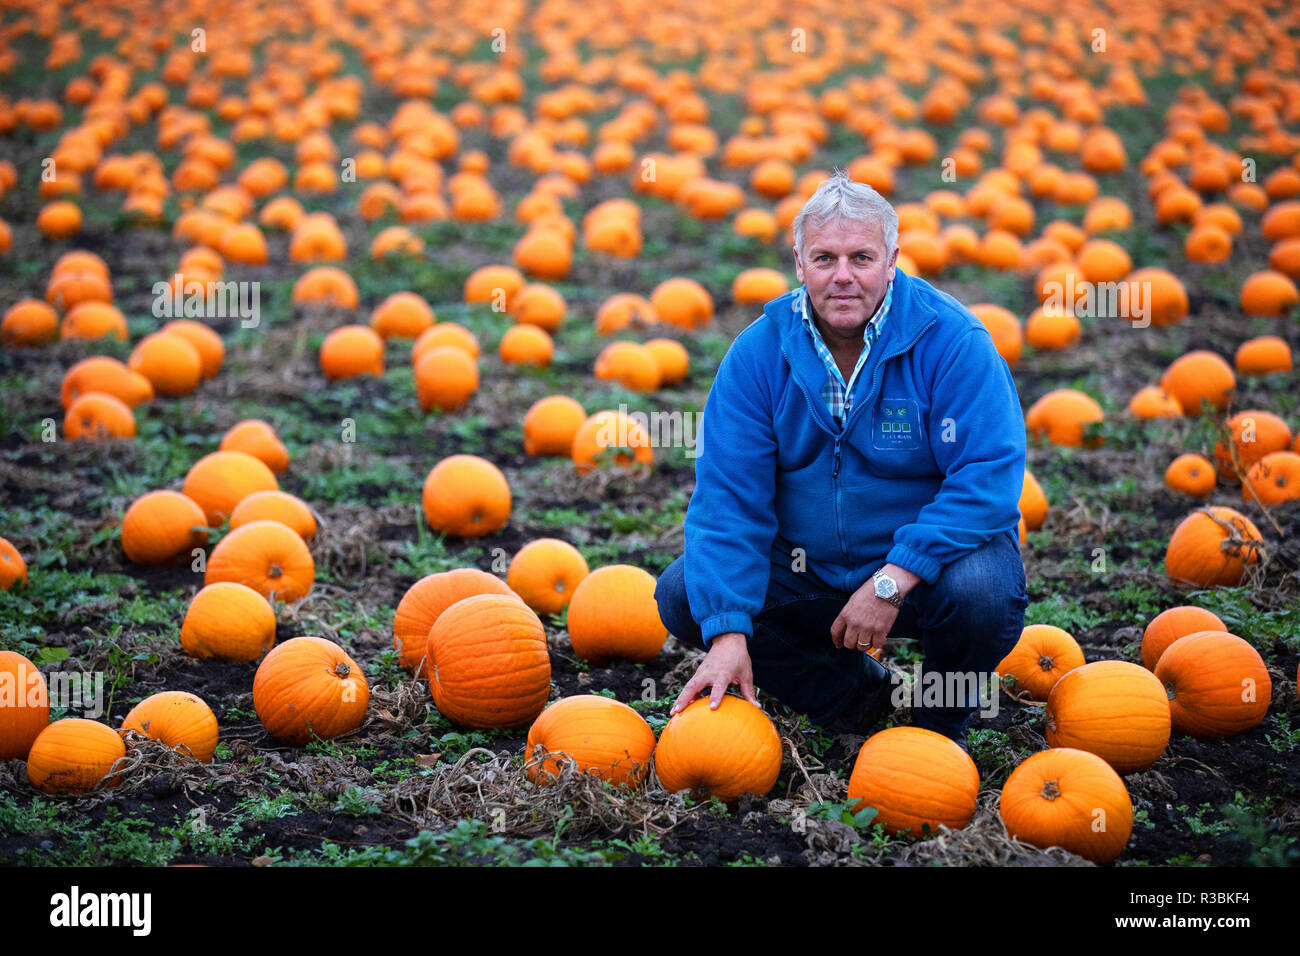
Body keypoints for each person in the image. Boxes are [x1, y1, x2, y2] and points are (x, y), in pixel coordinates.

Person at [654, 169, 1028, 744]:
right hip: (811, 570)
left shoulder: (953, 341)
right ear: (799, 263)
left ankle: (938, 722)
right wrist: (727, 631)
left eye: (861, 257)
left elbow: (988, 479)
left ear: (892, 259)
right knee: (686, 594)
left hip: (924, 573)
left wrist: (891, 580)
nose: (843, 277)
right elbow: (729, 500)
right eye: (824, 259)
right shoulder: (758, 355)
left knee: (981, 591)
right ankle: (856, 699)